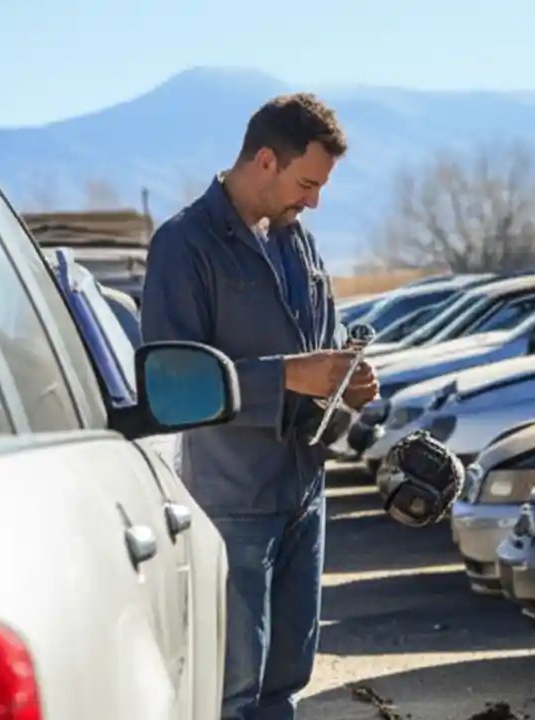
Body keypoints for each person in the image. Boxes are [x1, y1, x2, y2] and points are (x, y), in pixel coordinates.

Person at [140, 92, 378, 720]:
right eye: (307, 184)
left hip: (305, 494)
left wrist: (344, 381)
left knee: (286, 684)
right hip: (233, 504)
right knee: (234, 690)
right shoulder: (183, 244)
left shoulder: (300, 244)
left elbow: (321, 349)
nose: (314, 201)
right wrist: (290, 376)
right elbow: (172, 390)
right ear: (266, 160)